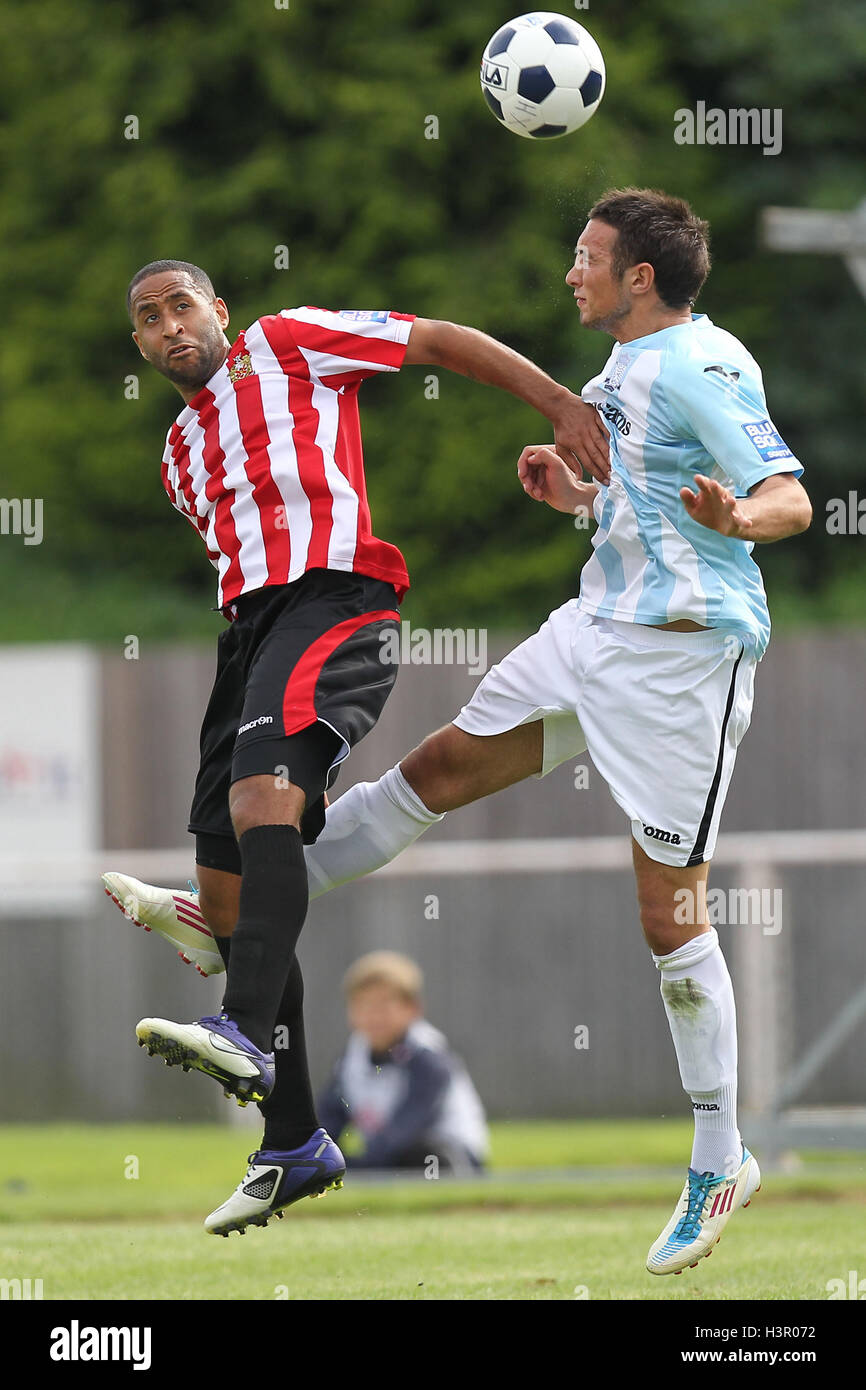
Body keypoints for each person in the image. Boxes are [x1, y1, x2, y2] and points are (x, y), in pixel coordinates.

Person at [109, 186, 812, 1272]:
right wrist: (578, 499)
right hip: (593, 628)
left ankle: (719, 1157)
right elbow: (645, 494)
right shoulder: (617, 369)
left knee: (668, 917)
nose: (567, 272)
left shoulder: (702, 362)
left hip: (683, 653)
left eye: (585, 257)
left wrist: (740, 516)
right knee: (429, 771)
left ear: (636, 276)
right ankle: (230, 926)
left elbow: (786, 499)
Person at [117, 258, 608, 1237]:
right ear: (138, 344)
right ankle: (293, 1138)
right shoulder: (177, 452)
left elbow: (430, 340)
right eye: (147, 318)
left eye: (183, 305)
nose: (169, 325)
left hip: (338, 603)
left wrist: (556, 399)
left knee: (267, 805)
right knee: (225, 908)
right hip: (250, 635)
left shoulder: (288, 342)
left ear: (219, 310)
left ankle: (243, 1032)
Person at [316, 951, 488, 1176]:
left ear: (413, 1009)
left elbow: (404, 1130)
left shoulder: (429, 1058)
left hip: (452, 1158)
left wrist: (356, 1166)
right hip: (386, 1156)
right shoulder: (351, 1060)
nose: (374, 1016)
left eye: (384, 1005)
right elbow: (328, 1120)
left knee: (425, 1155)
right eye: (364, 1006)